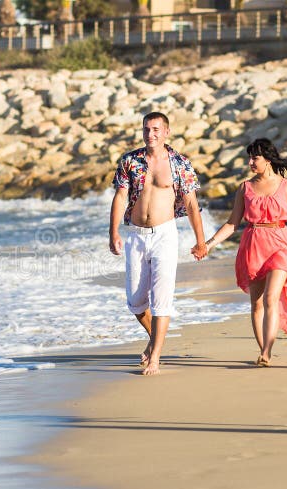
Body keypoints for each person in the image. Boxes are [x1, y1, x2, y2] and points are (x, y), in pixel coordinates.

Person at [109, 112, 207, 376]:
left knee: (161, 298)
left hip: (165, 234)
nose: (150, 134)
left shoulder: (179, 163)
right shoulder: (130, 161)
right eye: (146, 129)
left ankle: (155, 358)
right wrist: (113, 232)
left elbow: (191, 205)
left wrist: (201, 241)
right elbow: (120, 197)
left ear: (166, 132)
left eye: (155, 130)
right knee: (136, 301)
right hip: (137, 235)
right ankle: (155, 340)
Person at [199, 138, 287, 367]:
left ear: (267, 159)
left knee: (271, 298)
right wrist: (208, 244)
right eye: (249, 158)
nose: (250, 162)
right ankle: (262, 348)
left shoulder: (286, 186)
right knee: (257, 304)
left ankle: (267, 351)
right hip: (253, 246)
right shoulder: (245, 188)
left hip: (279, 243)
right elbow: (232, 224)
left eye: (254, 158)